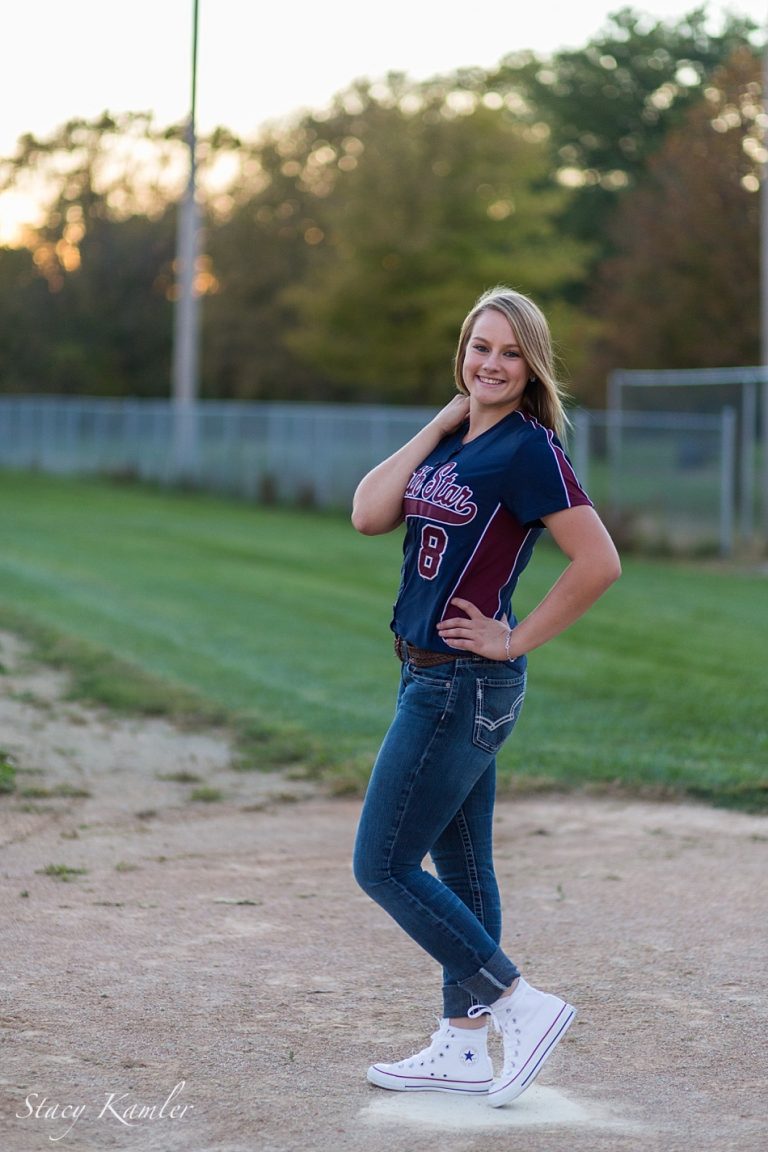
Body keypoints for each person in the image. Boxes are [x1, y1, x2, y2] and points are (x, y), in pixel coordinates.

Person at [350, 285, 621, 1107]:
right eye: (480, 347)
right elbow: (368, 514)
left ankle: (518, 1004)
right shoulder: (456, 443)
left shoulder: (529, 451)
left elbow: (599, 562)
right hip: (425, 673)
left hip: (462, 682)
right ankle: (464, 1049)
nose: (491, 364)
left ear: (530, 362)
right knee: (462, 868)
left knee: (383, 863)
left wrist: (514, 636)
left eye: (509, 352)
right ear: (463, 352)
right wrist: (439, 422)